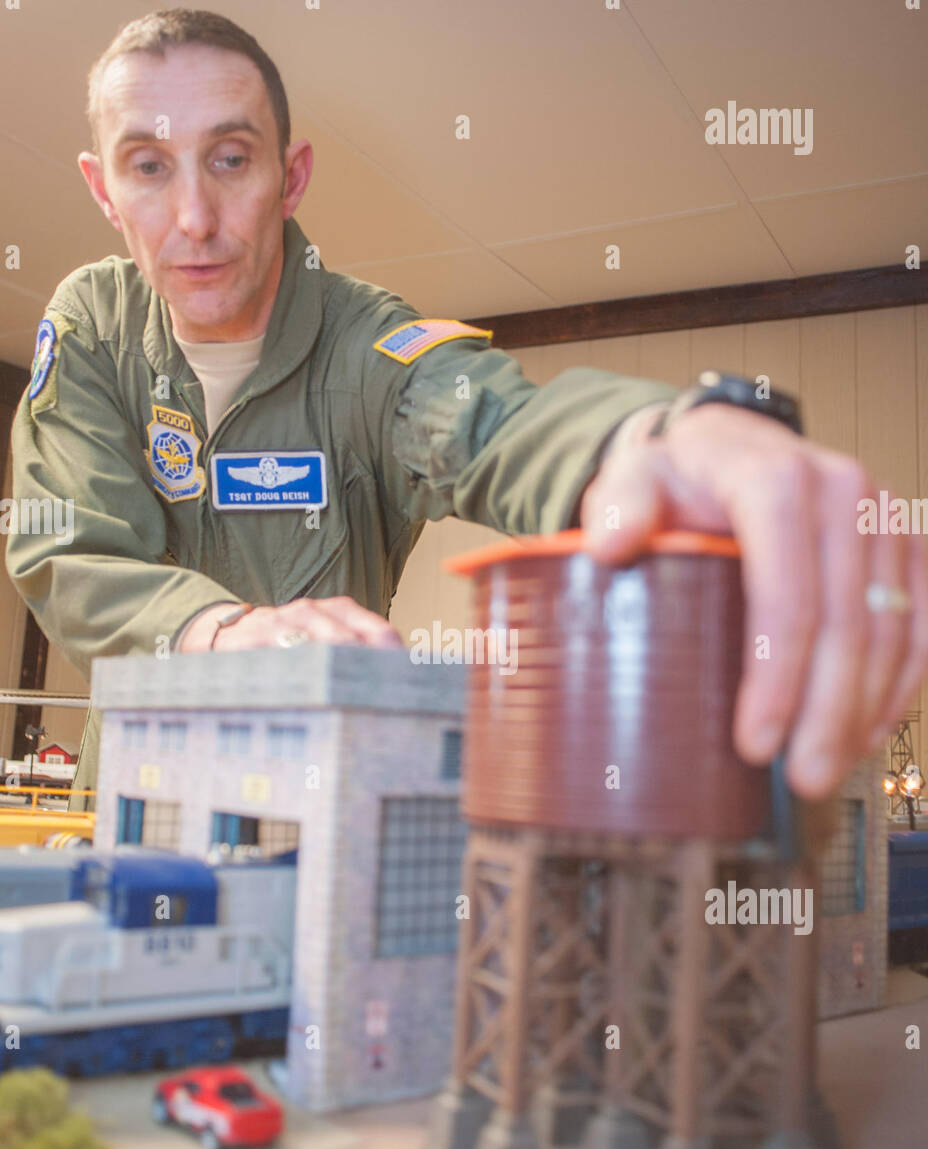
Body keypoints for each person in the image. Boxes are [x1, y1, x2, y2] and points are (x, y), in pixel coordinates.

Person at [7, 9, 927, 805]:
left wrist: (645, 439)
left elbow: (488, 421)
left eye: (230, 159)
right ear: (103, 189)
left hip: (321, 807)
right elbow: (68, 551)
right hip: (130, 792)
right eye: (148, 166)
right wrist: (225, 632)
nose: (195, 218)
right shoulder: (92, 323)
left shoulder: (369, 346)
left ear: (290, 177)